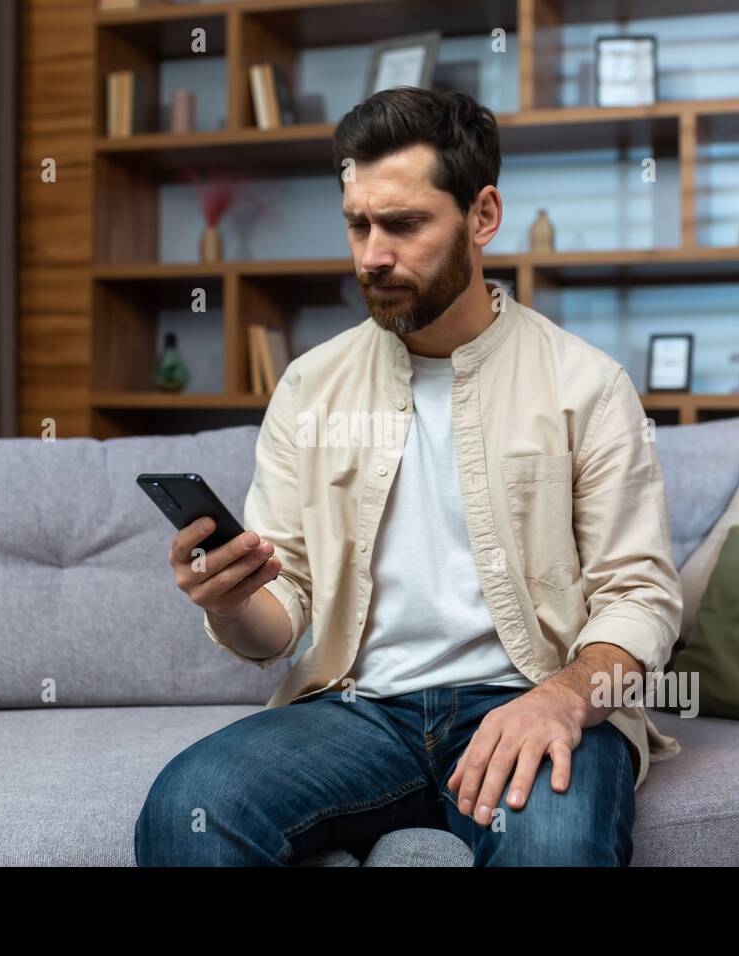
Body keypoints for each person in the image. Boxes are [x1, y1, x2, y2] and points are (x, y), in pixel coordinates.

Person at [135, 86, 683, 867]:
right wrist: (230, 605)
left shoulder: (586, 385)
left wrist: (563, 699)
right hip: (354, 711)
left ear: (482, 216)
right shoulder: (309, 386)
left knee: (557, 847)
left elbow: (642, 596)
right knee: (188, 807)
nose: (371, 256)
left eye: (404, 225)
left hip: (525, 697)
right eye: (358, 224)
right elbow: (282, 613)